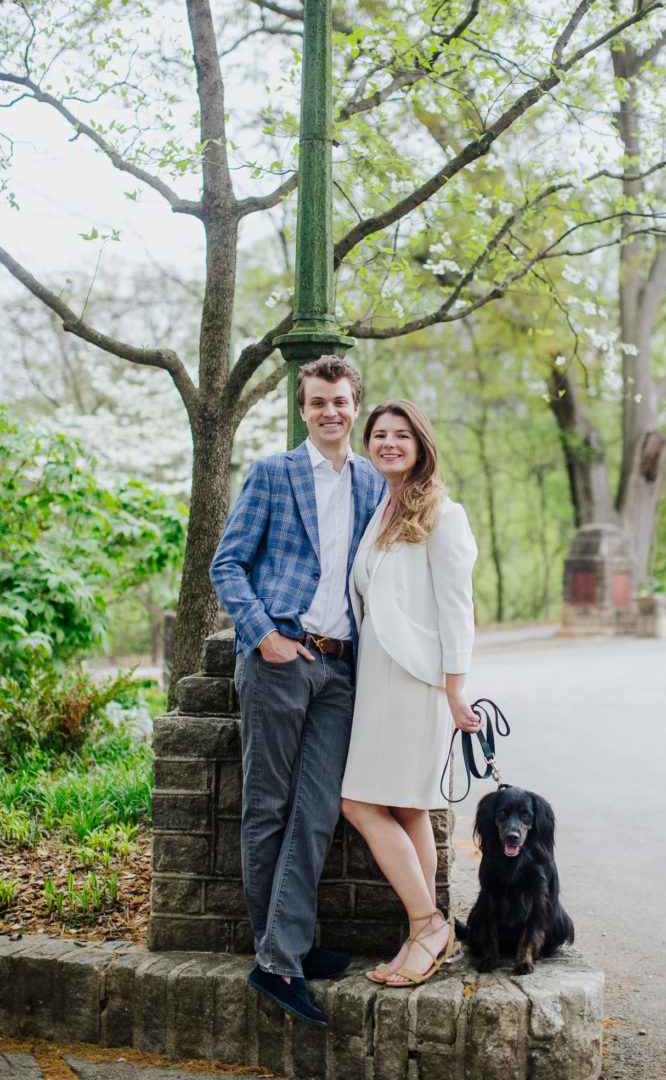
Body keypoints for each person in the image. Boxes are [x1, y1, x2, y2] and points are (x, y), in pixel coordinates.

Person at [209, 355, 385, 1026]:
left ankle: (285, 947)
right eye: (317, 402)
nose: (330, 412)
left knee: (317, 811)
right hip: (280, 657)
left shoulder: (374, 482)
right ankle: (281, 958)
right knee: (268, 809)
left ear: (354, 404)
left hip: (340, 671)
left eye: (340, 401)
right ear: (303, 409)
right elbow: (227, 563)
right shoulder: (273, 474)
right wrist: (262, 636)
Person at [340, 399, 480, 988]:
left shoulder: (443, 514)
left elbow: (457, 608)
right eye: (379, 434)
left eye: (401, 435)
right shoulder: (380, 509)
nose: (388, 443)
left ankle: (428, 924)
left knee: (358, 803)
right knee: (406, 806)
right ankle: (424, 931)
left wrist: (455, 690)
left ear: (420, 444)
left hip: (417, 681)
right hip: (375, 676)